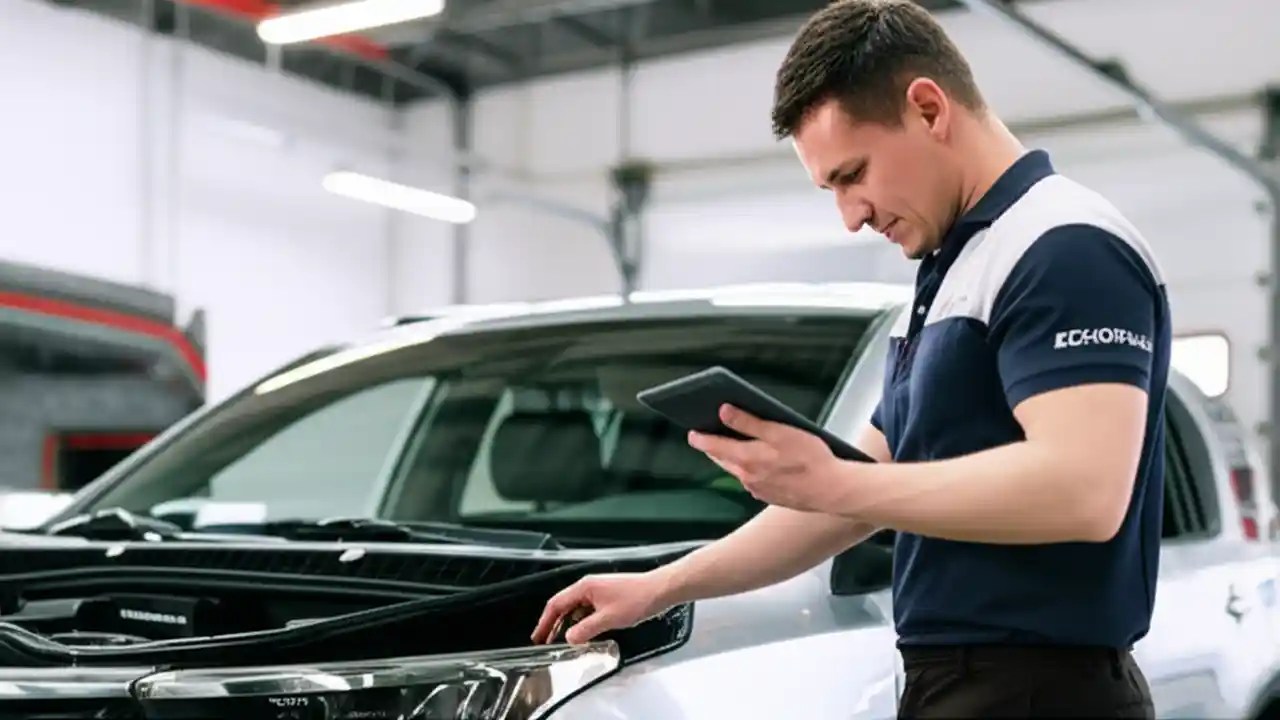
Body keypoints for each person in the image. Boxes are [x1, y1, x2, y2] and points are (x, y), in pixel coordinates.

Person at [530, 1, 1169, 717]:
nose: (851, 216)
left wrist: (836, 485)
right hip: (956, 684)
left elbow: (1082, 491)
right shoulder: (953, 270)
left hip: (1046, 693)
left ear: (928, 108)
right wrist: (660, 585)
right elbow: (844, 499)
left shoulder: (1065, 246)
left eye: (852, 174)